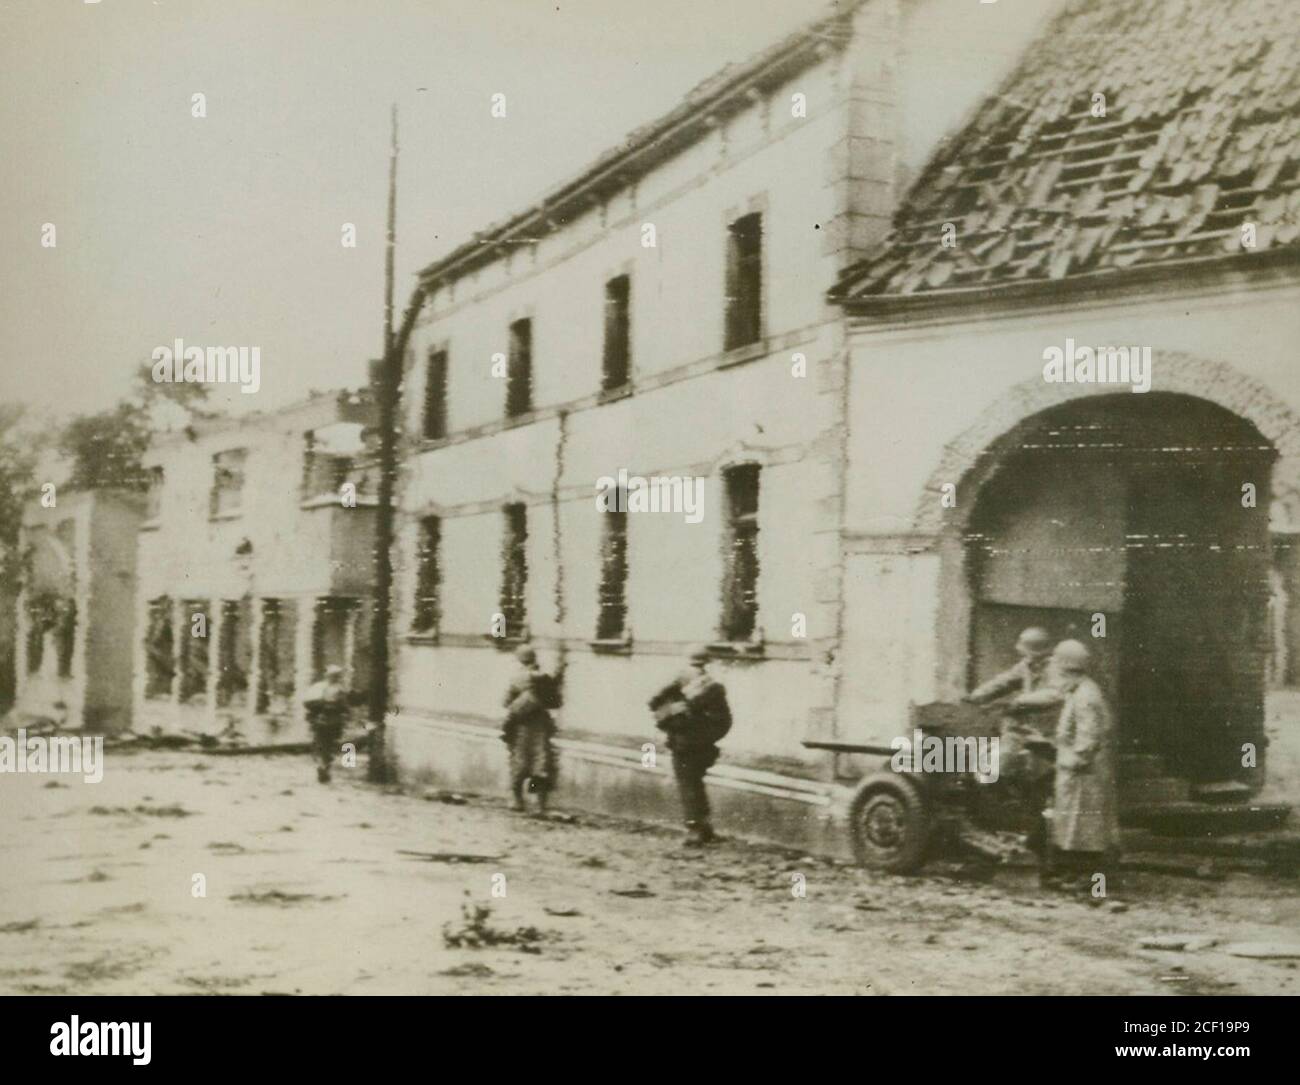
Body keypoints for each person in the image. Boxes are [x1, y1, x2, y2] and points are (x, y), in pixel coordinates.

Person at [964, 627, 1063, 845]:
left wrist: (1018, 702)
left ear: (1038, 652)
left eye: (1027, 652)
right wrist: (975, 697)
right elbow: (1004, 681)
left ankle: (1031, 829)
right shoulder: (1027, 666)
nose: (1024, 657)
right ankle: (1009, 812)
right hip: (1027, 732)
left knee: (1039, 784)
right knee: (998, 764)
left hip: (1050, 735)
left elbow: (1054, 695)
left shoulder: (1056, 668)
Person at [1039, 639, 1121, 891]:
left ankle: (1088, 877)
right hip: (1080, 771)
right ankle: (1074, 873)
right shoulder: (1080, 691)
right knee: (1075, 825)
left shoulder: (1086, 696)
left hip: (1085, 772)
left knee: (1085, 826)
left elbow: (1088, 737)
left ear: (1066, 669)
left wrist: (1072, 762)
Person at [648, 647, 732, 847]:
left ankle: (695, 830)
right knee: (694, 784)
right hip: (697, 744)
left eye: (696, 666)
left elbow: (654, 706)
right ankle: (704, 828)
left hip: (687, 743)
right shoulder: (712, 688)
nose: (696, 670)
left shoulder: (681, 684)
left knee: (689, 785)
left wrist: (674, 722)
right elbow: (724, 722)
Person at [502, 644, 560, 814]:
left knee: (520, 764)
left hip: (521, 726)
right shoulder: (544, 678)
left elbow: (505, 702)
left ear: (520, 659)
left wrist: (521, 701)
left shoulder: (517, 678)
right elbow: (555, 702)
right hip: (541, 727)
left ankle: (517, 800)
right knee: (540, 766)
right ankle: (538, 804)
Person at [302, 664, 349, 783]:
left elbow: (345, 707)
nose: (335, 678)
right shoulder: (320, 687)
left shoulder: (340, 689)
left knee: (327, 745)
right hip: (322, 720)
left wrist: (343, 714)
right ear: (327, 676)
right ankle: (323, 766)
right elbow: (308, 703)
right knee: (322, 744)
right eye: (333, 675)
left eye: (336, 676)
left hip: (331, 721)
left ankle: (324, 766)